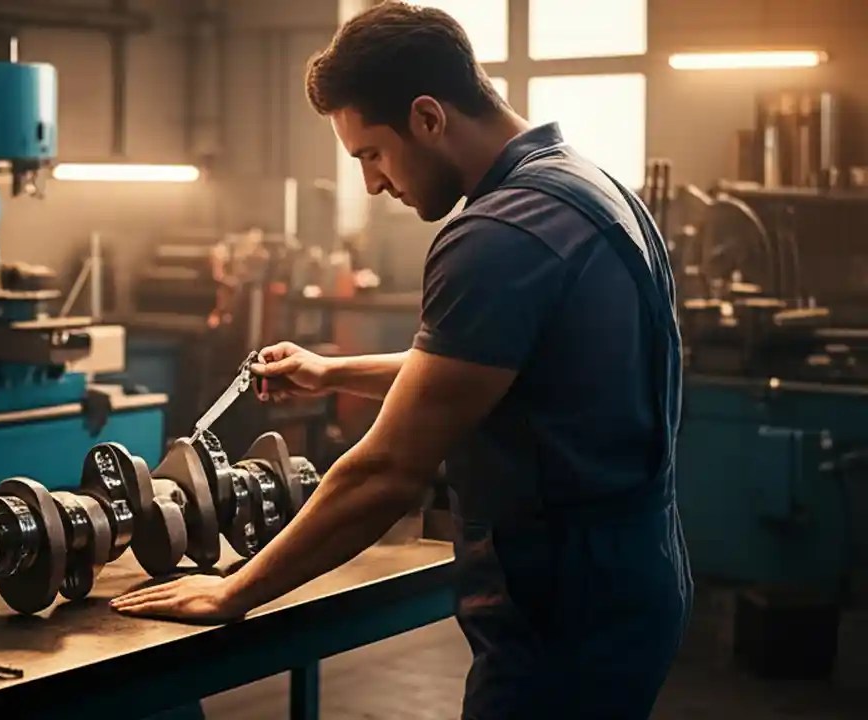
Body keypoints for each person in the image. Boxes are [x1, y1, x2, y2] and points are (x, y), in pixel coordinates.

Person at [112, 2, 693, 717]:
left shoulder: (497, 234)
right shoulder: (589, 189)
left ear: (428, 117)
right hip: (631, 578)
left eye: (371, 154)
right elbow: (498, 367)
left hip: (562, 607)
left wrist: (235, 590)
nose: (372, 184)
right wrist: (334, 371)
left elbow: (385, 472)